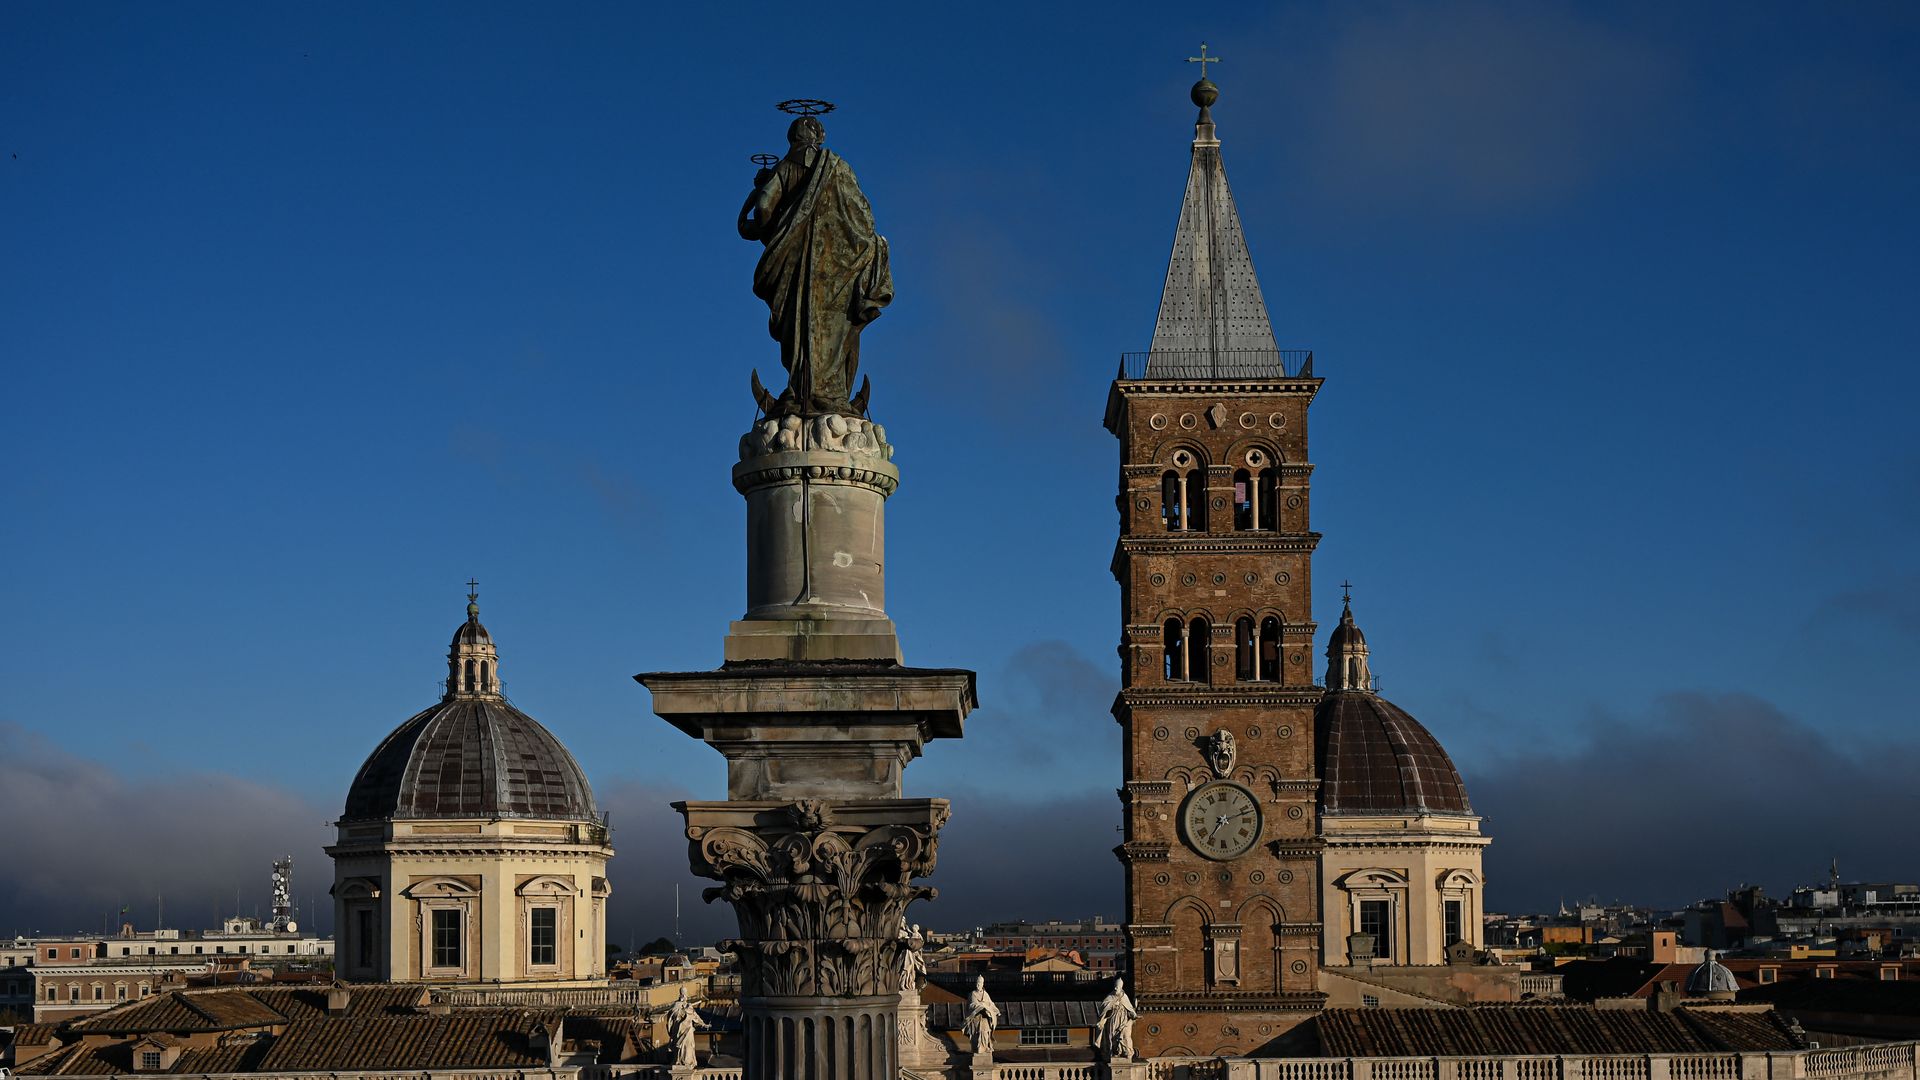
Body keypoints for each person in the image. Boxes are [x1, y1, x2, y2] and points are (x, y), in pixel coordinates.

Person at [738, 115, 893, 418]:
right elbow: (864, 218)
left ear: (792, 138)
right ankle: (830, 393)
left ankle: (801, 390)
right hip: (837, 275)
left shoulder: (784, 169)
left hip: (792, 269)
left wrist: (763, 200)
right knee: (838, 331)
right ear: (819, 137)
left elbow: (764, 210)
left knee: (795, 330)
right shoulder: (838, 168)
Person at [1095, 977, 1138, 1060]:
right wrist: (1112, 1005)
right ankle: (1113, 1052)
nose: (1115, 989)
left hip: (1123, 1020)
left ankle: (1124, 1052)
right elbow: (1103, 1007)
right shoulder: (1110, 996)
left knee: (1124, 1036)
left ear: (1121, 988)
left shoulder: (1124, 997)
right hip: (1113, 1019)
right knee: (1112, 1036)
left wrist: (1133, 1014)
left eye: (1117, 987)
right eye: (1115, 987)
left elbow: (1129, 1008)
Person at [666, 984, 707, 1069]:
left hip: (688, 1029)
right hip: (679, 1029)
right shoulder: (676, 1005)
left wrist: (703, 1024)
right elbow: (672, 1015)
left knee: (689, 1046)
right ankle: (680, 1060)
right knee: (680, 1046)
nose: (685, 996)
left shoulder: (689, 1006)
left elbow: (695, 1016)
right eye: (684, 994)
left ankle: (687, 1061)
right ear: (681, 995)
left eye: (685, 994)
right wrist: (684, 1011)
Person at [962, 974, 999, 1056]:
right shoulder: (972, 994)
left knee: (985, 1033)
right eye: (977, 983)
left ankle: (985, 1048)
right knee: (977, 1034)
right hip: (976, 1018)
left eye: (979, 983)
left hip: (985, 1018)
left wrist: (996, 1010)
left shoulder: (985, 994)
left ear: (982, 984)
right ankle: (978, 1049)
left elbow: (991, 1004)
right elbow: (971, 1005)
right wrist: (980, 1006)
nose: (978, 985)